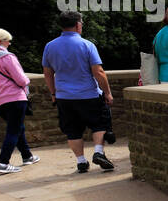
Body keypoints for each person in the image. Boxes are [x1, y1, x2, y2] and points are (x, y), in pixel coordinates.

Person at [41, 10, 115, 173]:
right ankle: (98, 152)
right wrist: (107, 92)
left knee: (72, 130)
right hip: (88, 94)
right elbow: (99, 72)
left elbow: (48, 73)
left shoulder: (50, 46)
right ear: (78, 25)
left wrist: (53, 93)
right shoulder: (87, 45)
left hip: (64, 97)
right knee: (99, 124)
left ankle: (81, 162)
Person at [0, 28, 39, 174]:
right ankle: (3, 163)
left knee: (17, 127)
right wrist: (27, 81)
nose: (9, 43)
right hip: (14, 98)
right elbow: (21, 79)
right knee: (13, 130)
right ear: (0, 41)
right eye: (7, 40)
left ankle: (27, 156)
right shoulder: (7, 57)